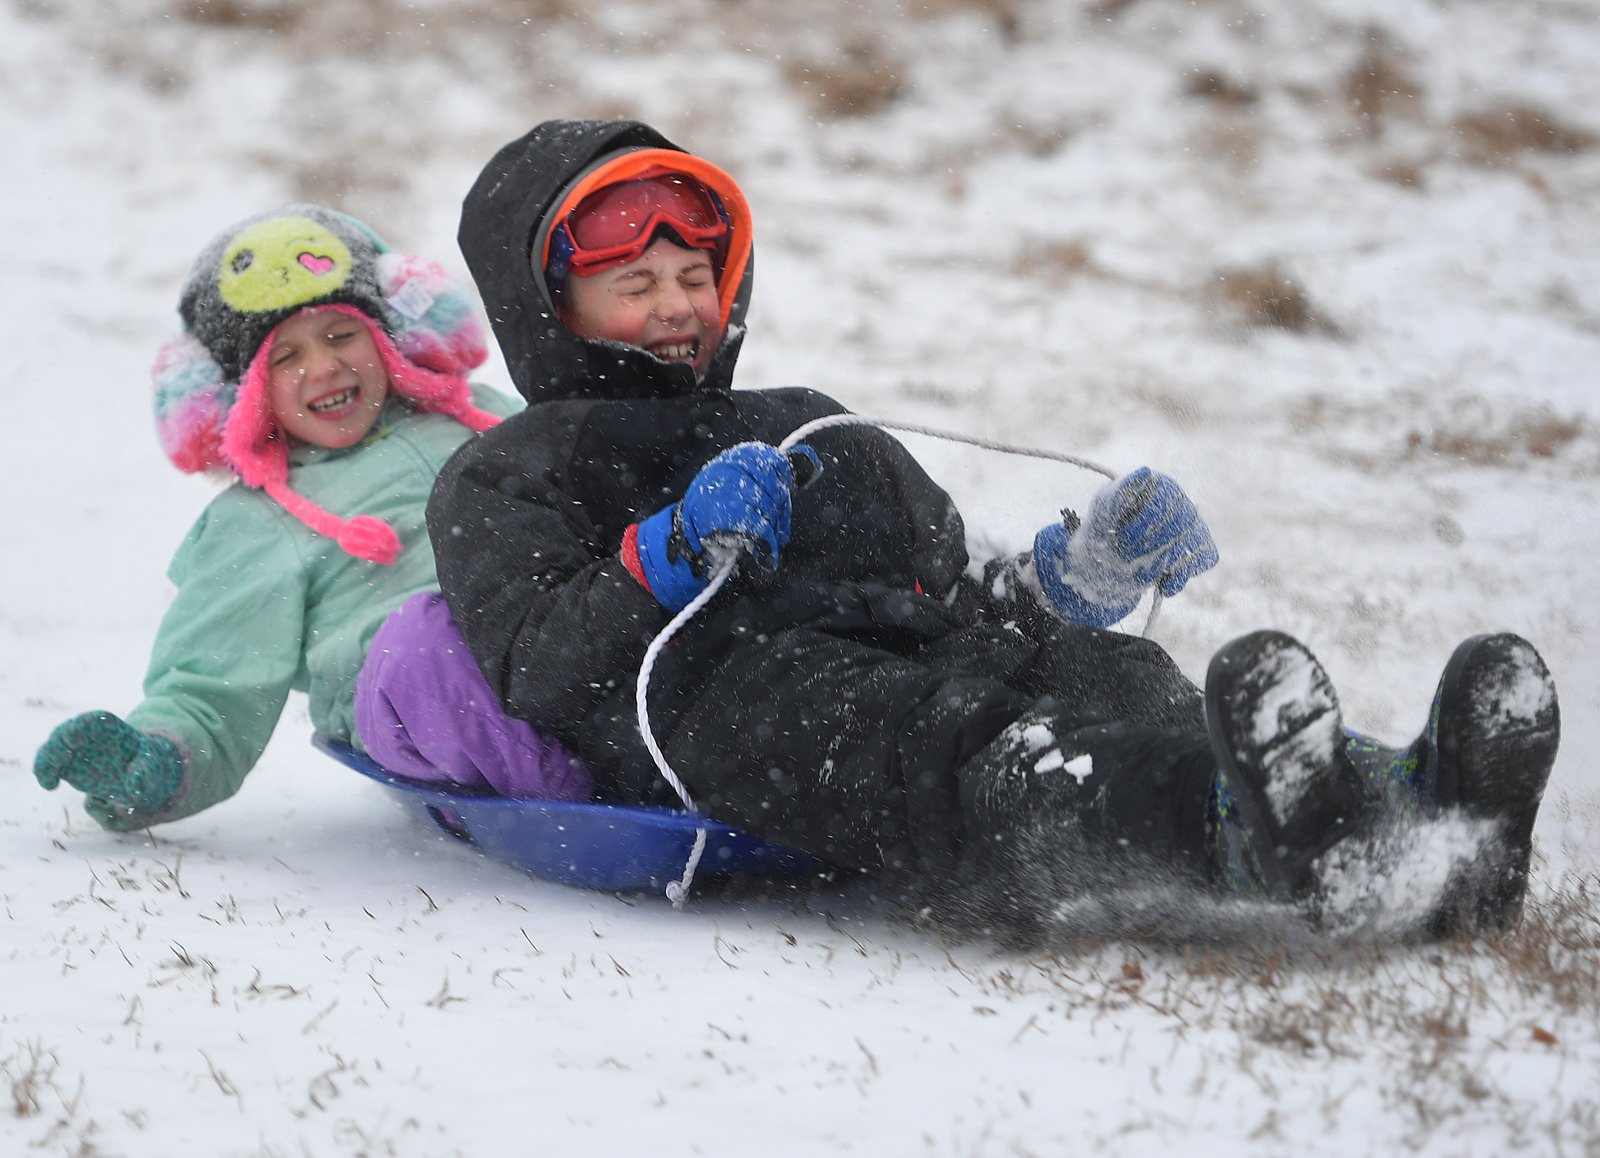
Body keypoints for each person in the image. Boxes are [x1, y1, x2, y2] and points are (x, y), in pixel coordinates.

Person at [429, 119, 1559, 939]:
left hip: (902, 660)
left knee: (1096, 669)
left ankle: (1408, 812)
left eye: (694, 272)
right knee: (943, 735)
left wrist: (1079, 572)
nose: (678, 303)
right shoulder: (509, 469)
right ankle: (1237, 831)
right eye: (636, 282)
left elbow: (952, 597)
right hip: (731, 704)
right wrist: (670, 547)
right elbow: (537, 660)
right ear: (550, 308)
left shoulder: (812, 424)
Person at [33, 204, 591, 833]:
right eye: (284, 356)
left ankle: (670, 754)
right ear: (245, 393)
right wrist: (161, 760)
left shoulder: (479, 416)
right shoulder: (255, 521)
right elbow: (213, 684)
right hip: (413, 694)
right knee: (424, 645)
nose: (322, 366)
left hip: (547, 642)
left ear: (387, 339)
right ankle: (581, 804)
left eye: (340, 333)